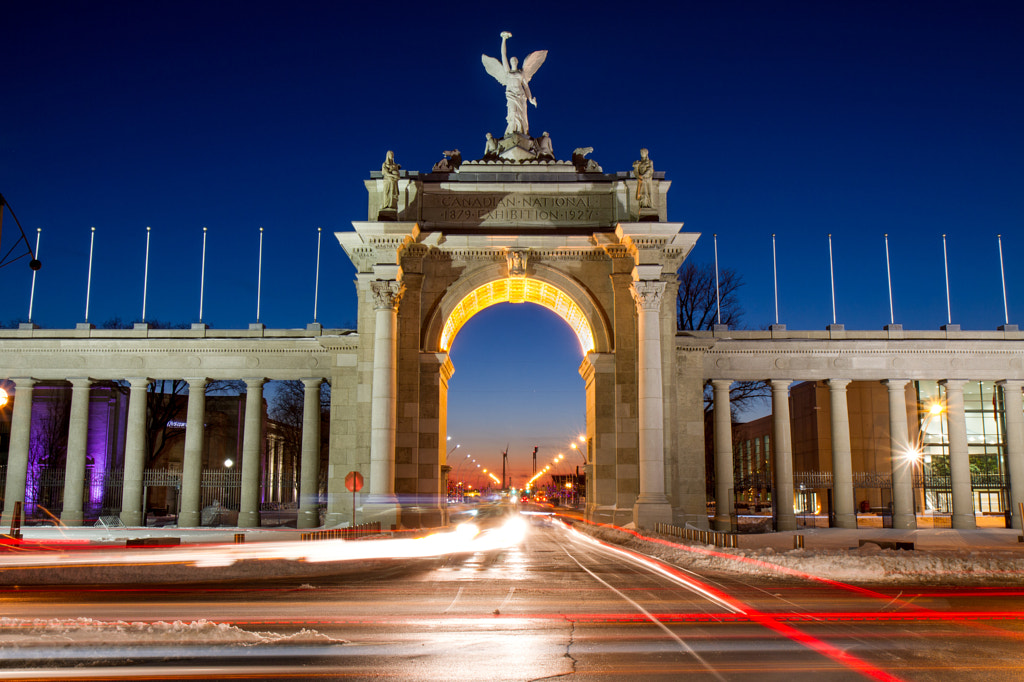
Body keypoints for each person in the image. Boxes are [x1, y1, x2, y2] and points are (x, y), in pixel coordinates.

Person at [481, 32, 547, 137]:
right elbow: (503, 55)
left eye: (515, 60)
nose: (513, 61)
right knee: (512, 113)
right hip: (511, 94)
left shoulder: (522, 73)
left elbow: (526, 86)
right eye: (512, 60)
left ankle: (521, 131)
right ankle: (512, 131)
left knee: (522, 115)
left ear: (517, 62)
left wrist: (530, 98)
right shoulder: (508, 72)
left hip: (520, 95)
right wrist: (504, 39)